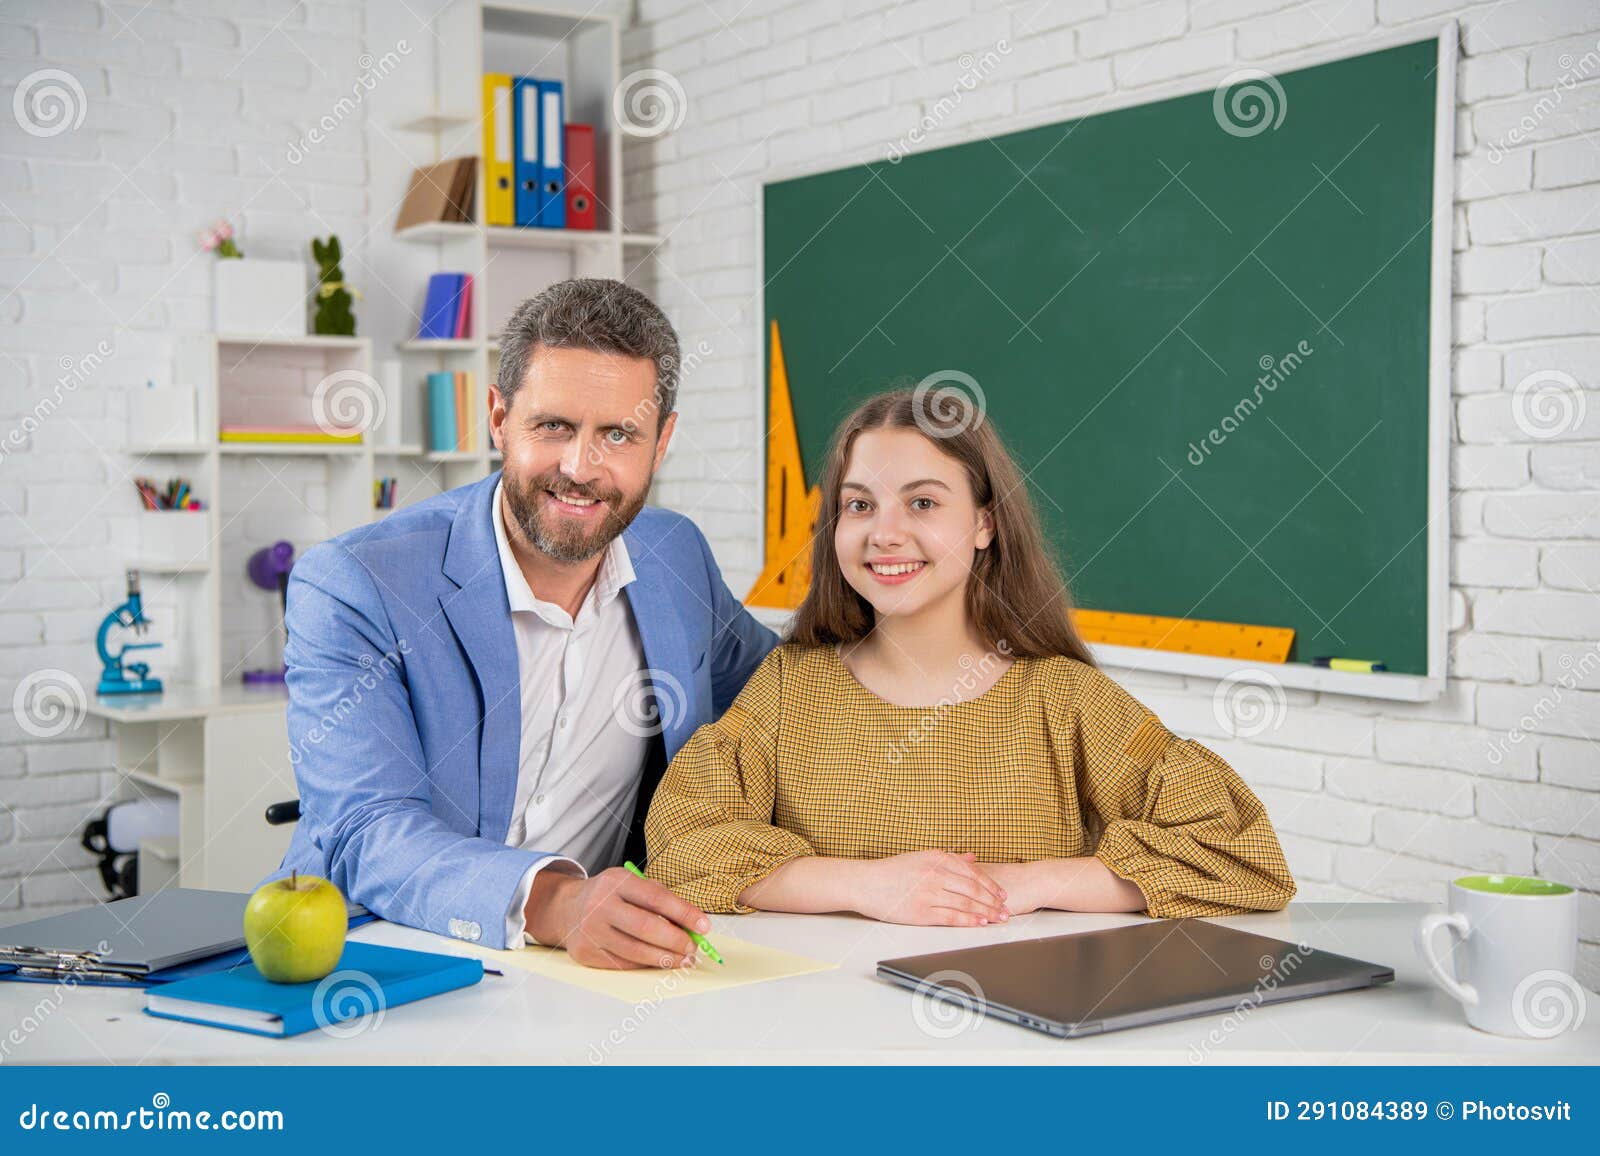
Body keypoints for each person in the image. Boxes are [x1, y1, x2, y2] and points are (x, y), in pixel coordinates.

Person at [645, 388, 1295, 925]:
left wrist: (1031, 883)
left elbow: (1241, 856)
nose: (886, 532)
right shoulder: (788, 688)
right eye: (859, 505)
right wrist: (864, 887)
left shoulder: (1066, 699)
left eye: (922, 502)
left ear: (985, 523)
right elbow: (681, 848)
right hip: (834, 1038)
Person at [272, 278, 776, 968]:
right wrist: (559, 904)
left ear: (661, 443)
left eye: (618, 434)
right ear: (499, 417)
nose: (580, 468)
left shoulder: (673, 556)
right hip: (385, 959)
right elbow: (364, 828)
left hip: (592, 977)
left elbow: (787, 695)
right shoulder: (358, 584)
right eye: (554, 426)